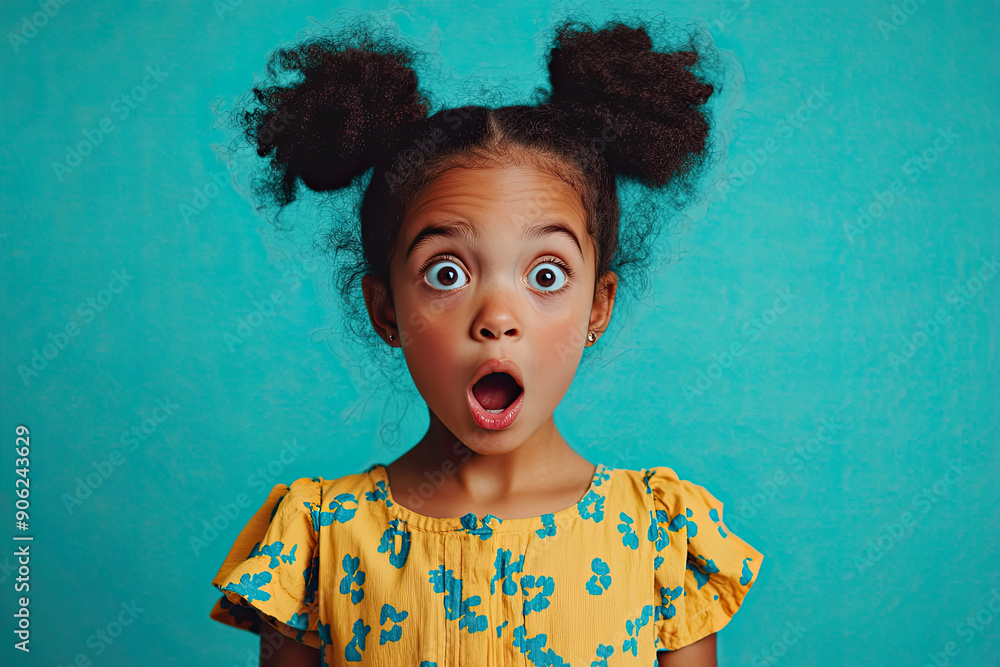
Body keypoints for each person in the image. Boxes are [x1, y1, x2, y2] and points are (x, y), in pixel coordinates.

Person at [208, 13, 764, 666]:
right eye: (447, 272)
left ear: (598, 305)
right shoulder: (319, 538)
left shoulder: (661, 538)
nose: (497, 318)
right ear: (386, 310)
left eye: (547, 274)